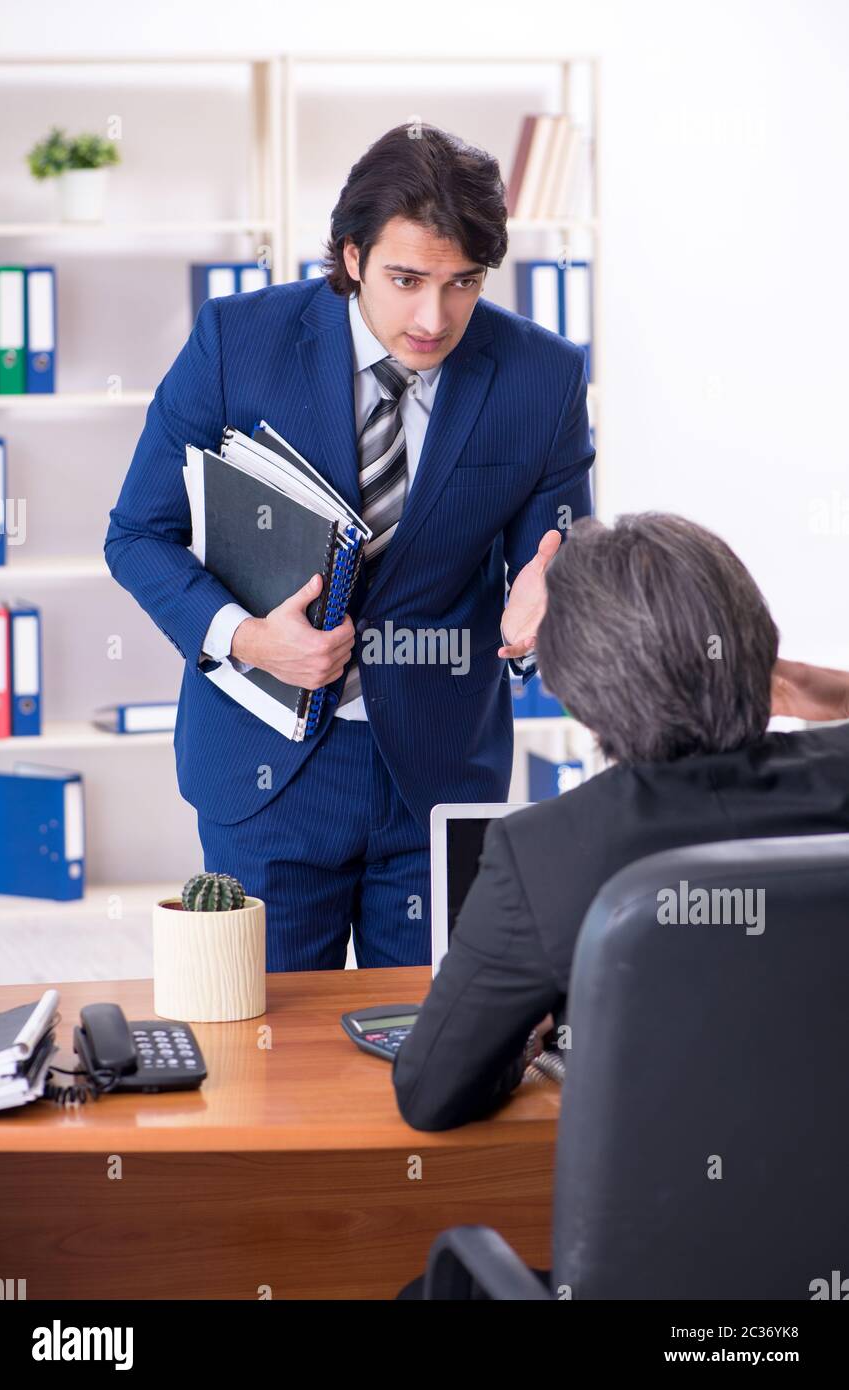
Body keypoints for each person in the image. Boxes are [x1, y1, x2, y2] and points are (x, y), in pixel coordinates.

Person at [104, 124, 594, 971]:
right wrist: (248, 639)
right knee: (271, 1062)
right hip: (266, 771)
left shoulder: (540, 374)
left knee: (441, 1058)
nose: (433, 318)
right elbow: (139, 534)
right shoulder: (238, 341)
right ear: (351, 254)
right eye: (406, 280)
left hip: (440, 771)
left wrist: (550, 599)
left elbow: (557, 555)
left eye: (463, 284)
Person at [392, 512, 849, 1132]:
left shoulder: (543, 852)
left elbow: (430, 1093)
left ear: (580, 689)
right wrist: (767, 678)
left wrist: (530, 1037)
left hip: (674, 1219)